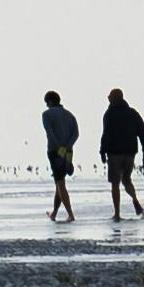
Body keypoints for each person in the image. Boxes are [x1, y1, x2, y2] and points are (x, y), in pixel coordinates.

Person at [99, 87, 144, 219]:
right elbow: (143, 134)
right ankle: (136, 202)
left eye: (110, 96)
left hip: (115, 153)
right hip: (130, 152)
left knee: (115, 183)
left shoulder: (109, 114)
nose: (108, 98)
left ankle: (117, 213)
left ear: (114, 98)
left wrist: (102, 151)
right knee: (127, 180)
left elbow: (105, 134)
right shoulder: (132, 113)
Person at [42, 88, 79, 222]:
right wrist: (67, 147)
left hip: (55, 151)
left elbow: (50, 133)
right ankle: (54, 213)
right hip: (68, 151)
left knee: (60, 183)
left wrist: (59, 149)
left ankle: (70, 214)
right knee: (59, 182)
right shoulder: (70, 115)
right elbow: (76, 134)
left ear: (50, 102)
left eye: (47, 102)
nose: (46, 105)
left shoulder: (46, 115)